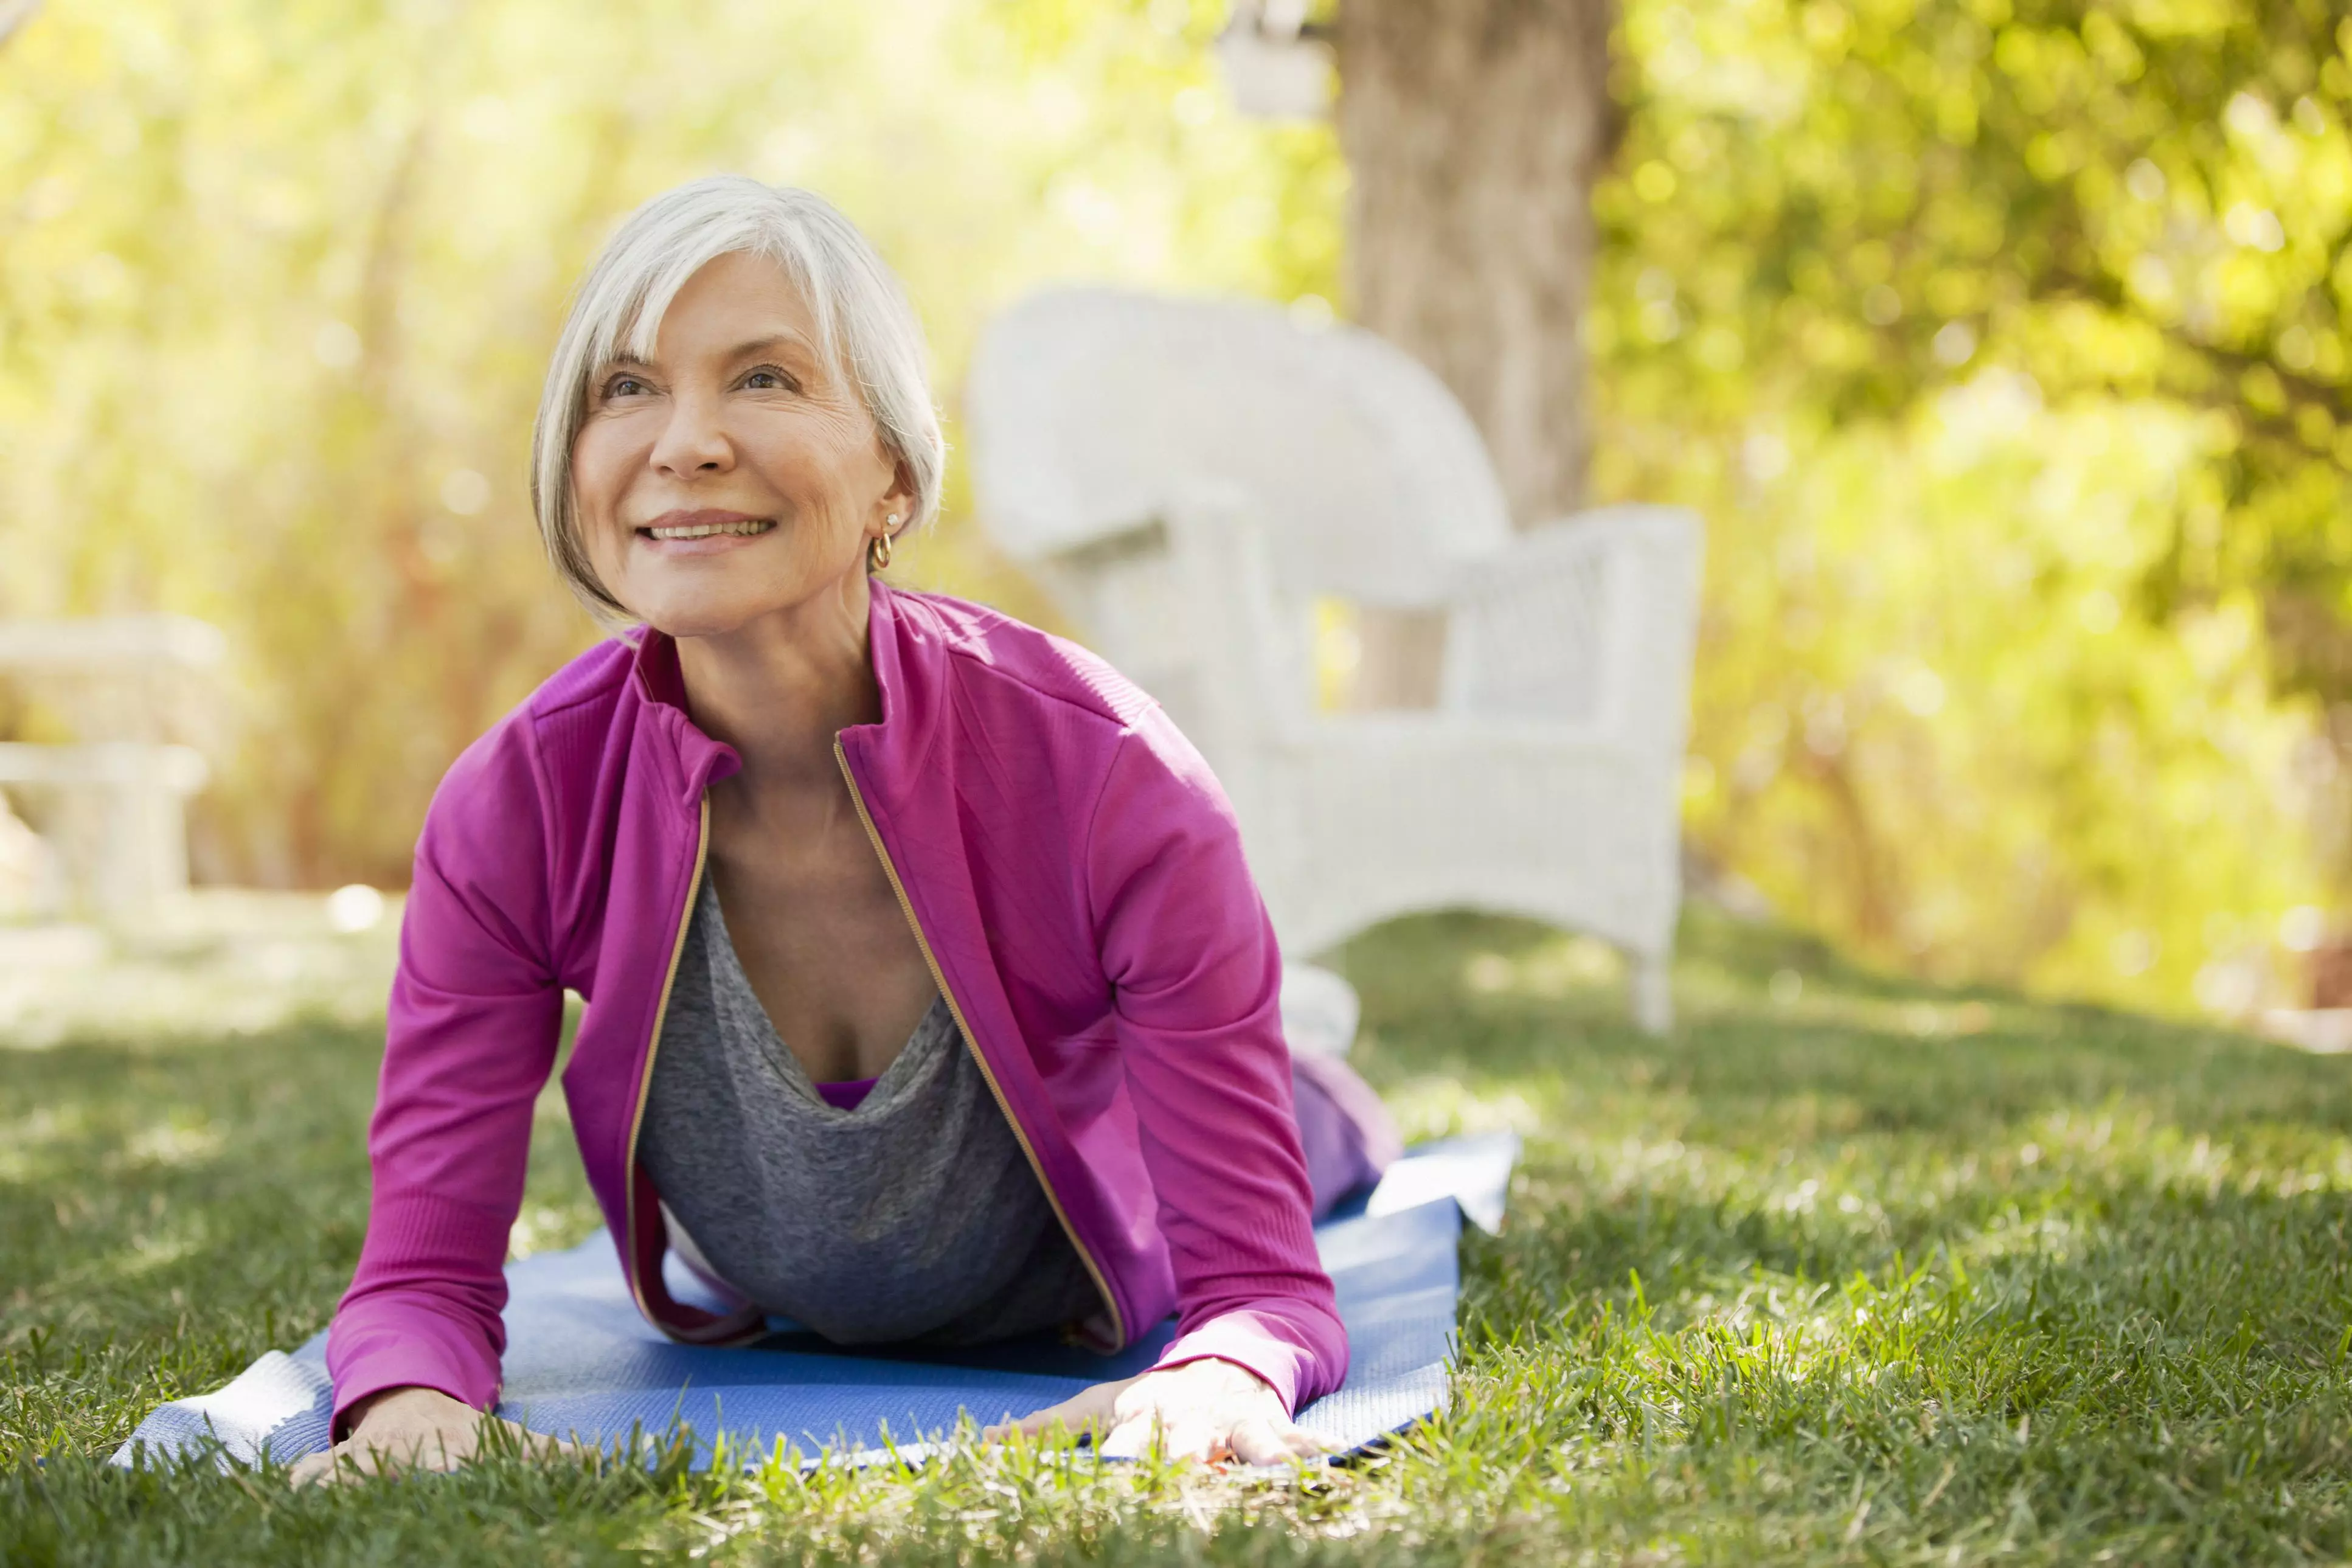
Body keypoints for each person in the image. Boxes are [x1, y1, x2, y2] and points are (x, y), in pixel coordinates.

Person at [291, 176, 1395, 1483]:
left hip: (1092, 1248)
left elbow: (1262, 1286)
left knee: (1310, 1109)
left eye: (763, 379)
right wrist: (410, 1398)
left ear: (892, 468)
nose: (685, 441)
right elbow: (418, 1273)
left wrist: (1223, 1369)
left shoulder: (1112, 778)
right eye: (627, 387)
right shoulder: (518, 804)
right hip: (799, 1276)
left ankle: (1303, 1046)